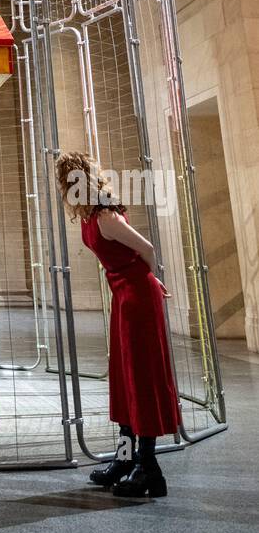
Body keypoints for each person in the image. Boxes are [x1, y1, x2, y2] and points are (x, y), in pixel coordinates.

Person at [54, 151, 181, 499]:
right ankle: (126, 459)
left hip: (138, 295)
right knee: (125, 377)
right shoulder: (89, 216)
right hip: (123, 294)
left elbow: (147, 248)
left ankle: (148, 468)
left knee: (140, 377)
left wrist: (152, 280)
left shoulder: (106, 217)